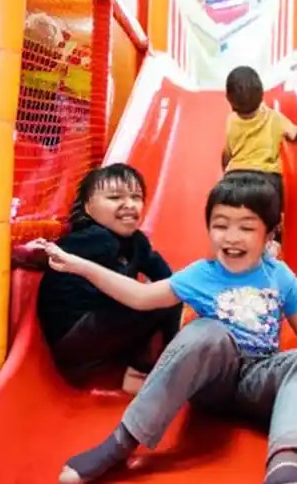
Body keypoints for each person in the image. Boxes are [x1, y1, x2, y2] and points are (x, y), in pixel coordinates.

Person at [28, 172, 297, 484]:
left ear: (269, 234)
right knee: (206, 332)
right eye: (220, 225)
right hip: (211, 383)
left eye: (246, 227)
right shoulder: (200, 274)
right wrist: (79, 265)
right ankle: (120, 444)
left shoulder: (280, 276)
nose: (231, 237)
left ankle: (288, 470)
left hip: (258, 382)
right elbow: (140, 296)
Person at [27, 163, 182, 394]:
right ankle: (160, 365)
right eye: (114, 197)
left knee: (167, 292)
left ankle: (160, 360)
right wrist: (30, 253)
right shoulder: (93, 237)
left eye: (136, 197)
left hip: (97, 338)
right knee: (161, 296)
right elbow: (51, 254)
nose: (129, 204)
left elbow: (166, 276)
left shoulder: (136, 241)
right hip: (75, 338)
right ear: (89, 208)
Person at [220, 65, 297, 249]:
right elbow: (295, 134)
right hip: (267, 179)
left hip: (234, 177)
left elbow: (227, 154)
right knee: (273, 213)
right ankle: (273, 242)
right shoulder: (274, 117)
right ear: (262, 94)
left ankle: (234, 242)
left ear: (229, 100)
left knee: (234, 214)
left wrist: (226, 172)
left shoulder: (231, 121)